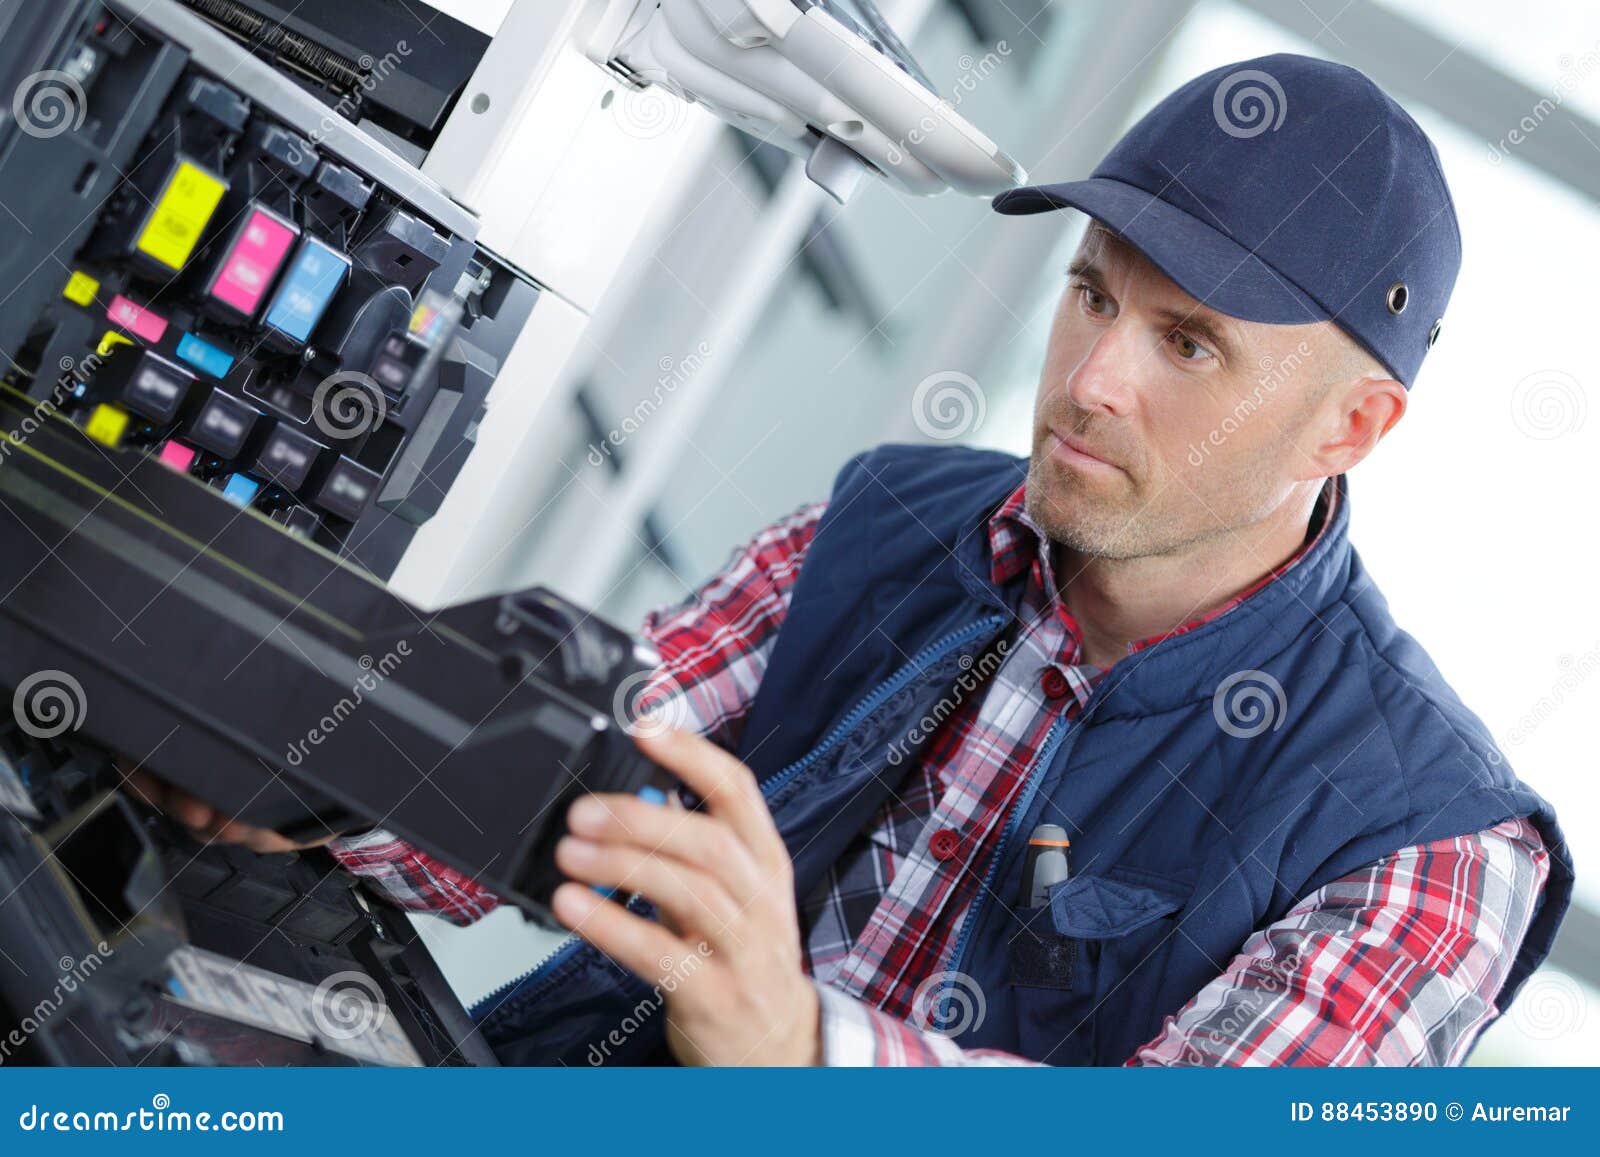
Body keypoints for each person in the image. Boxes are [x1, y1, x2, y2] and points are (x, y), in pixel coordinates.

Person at [137, 52, 1571, 1066]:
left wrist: (794, 1052)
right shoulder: (897, 522)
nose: (1091, 380)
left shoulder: (1430, 844)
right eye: (1090, 295)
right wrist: (310, 775)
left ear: (1354, 424)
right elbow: (597, 750)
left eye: (1189, 342)